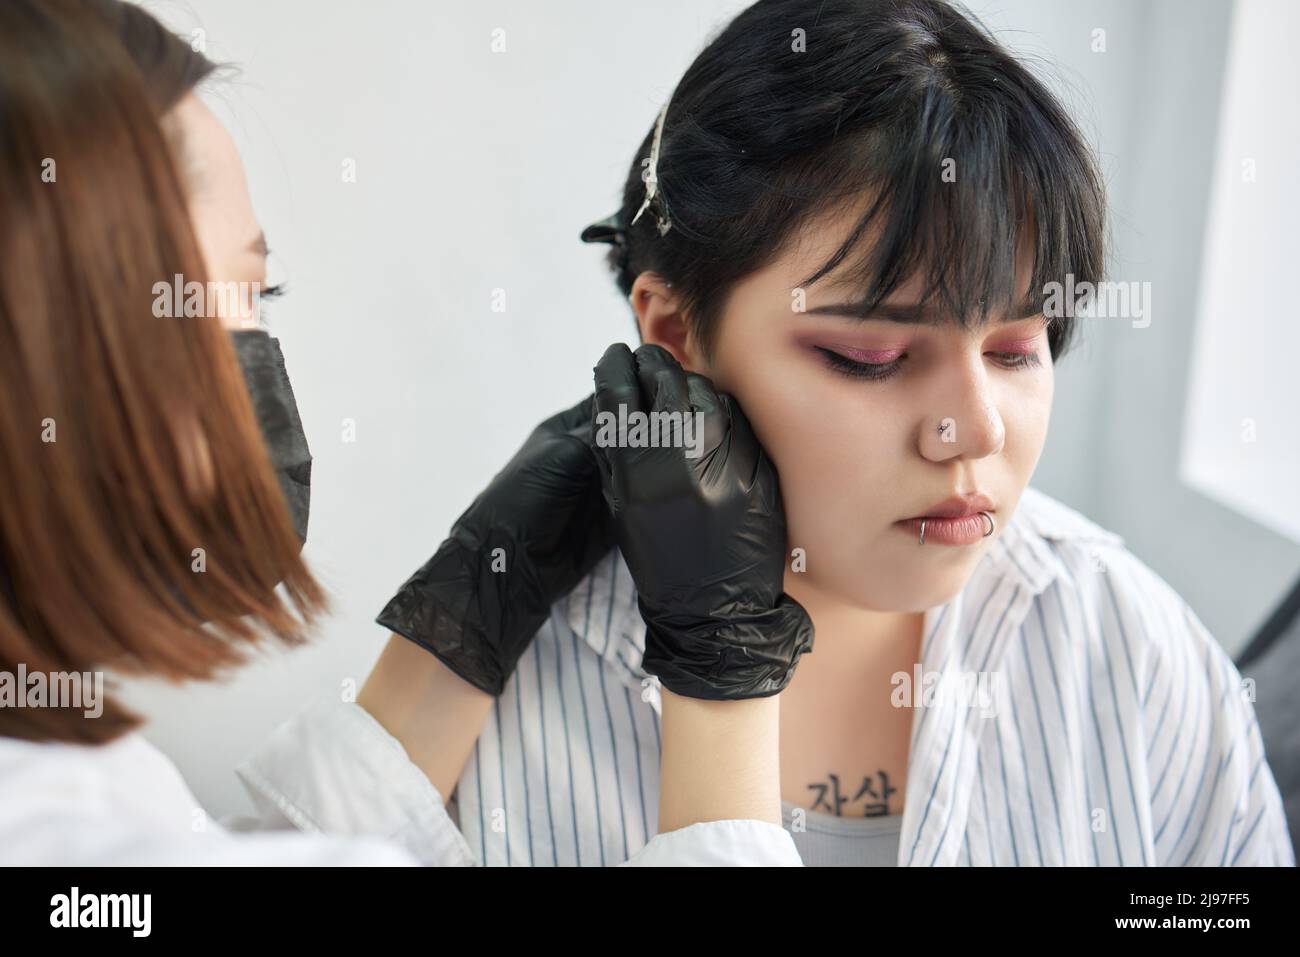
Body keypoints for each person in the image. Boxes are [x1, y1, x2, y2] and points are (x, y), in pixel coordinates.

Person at [271, 0, 1292, 866]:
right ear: (672, 332)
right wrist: (468, 617)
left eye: (1019, 349)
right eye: (870, 359)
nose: (973, 426)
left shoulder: (1129, 651)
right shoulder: (515, 672)